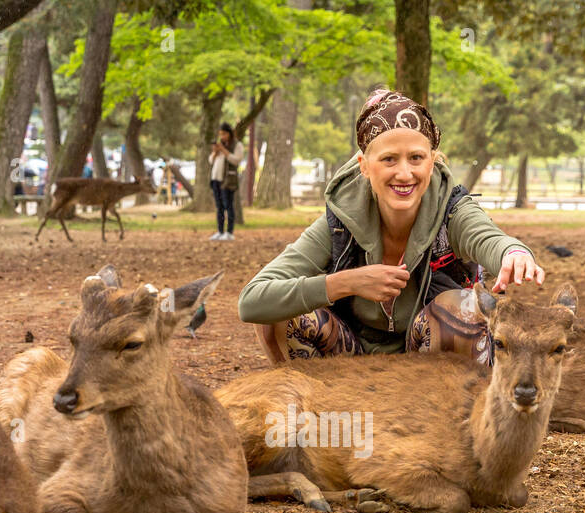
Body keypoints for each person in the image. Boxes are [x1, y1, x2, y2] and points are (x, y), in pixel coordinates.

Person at [237, 89, 542, 365]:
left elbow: (487, 237)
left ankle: (448, 419)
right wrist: (347, 282)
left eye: (416, 158)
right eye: (389, 159)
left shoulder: (452, 210)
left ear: (432, 162)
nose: (404, 173)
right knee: (276, 313)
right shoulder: (340, 221)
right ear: (364, 166)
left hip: (426, 364)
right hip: (348, 361)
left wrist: (513, 253)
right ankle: (320, 416)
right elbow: (252, 301)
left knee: (462, 308)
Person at [209, 123, 244, 240]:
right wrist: (215, 152)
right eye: (220, 134)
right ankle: (220, 231)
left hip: (228, 180)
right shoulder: (220, 146)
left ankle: (229, 232)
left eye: (224, 134)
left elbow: (236, 160)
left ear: (229, 133)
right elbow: (210, 161)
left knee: (228, 205)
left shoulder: (237, 145)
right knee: (219, 207)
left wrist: (224, 151)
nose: (222, 137)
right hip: (216, 179)